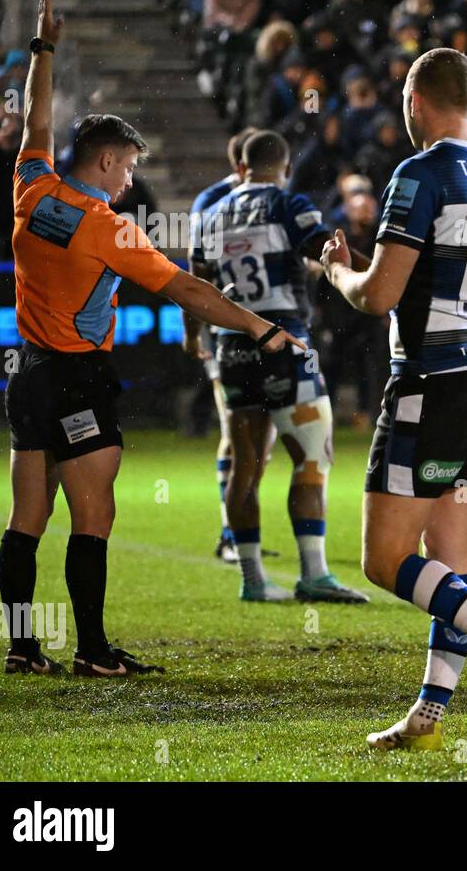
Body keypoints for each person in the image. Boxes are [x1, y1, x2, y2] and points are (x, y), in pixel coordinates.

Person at [0, 0, 304, 677]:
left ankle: (22, 647)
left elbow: (36, 120)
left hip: (26, 371)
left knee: (26, 517)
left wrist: (43, 46)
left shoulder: (32, 186)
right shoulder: (107, 226)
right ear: (106, 162)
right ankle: (93, 651)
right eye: (130, 166)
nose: (133, 179)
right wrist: (264, 330)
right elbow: (190, 290)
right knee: (93, 517)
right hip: (78, 377)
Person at [319, 47, 467, 750]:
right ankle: (428, 716)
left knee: (385, 558)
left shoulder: (420, 173)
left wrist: (338, 271)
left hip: (432, 381)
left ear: (414, 101)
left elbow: (381, 293)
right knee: (451, 561)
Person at [188, 130, 368, 604]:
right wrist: (380, 276)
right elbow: (325, 252)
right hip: (284, 340)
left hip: (232, 345)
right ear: (284, 168)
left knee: (245, 465)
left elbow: (196, 281)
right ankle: (314, 573)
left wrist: (192, 336)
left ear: (242, 168)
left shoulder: (212, 214)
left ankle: (253, 579)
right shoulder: (289, 204)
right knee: (311, 456)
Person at [185, 125, 258, 564]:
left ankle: (243, 531)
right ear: (241, 164)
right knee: (235, 434)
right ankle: (229, 533)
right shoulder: (212, 203)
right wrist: (196, 332)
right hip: (227, 333)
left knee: (259, 442)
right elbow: (199, 275)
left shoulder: (270, 195)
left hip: (263, 333)